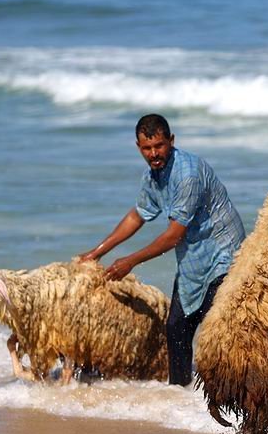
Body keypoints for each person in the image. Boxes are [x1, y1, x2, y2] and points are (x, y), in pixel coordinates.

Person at [79, 114, 246, 386]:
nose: (154, 153)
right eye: (147, 148)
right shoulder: (154, 175)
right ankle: (180, 397)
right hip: (194, 261)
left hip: (224, 256)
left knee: (219, 330)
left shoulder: (187, 174)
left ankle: (235, 391)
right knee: (177, 328)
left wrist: (130, 261)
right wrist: (97, 253)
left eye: (159, 145)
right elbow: (138, 215)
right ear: (138, 147)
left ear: (171, 141)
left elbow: (172, 237)